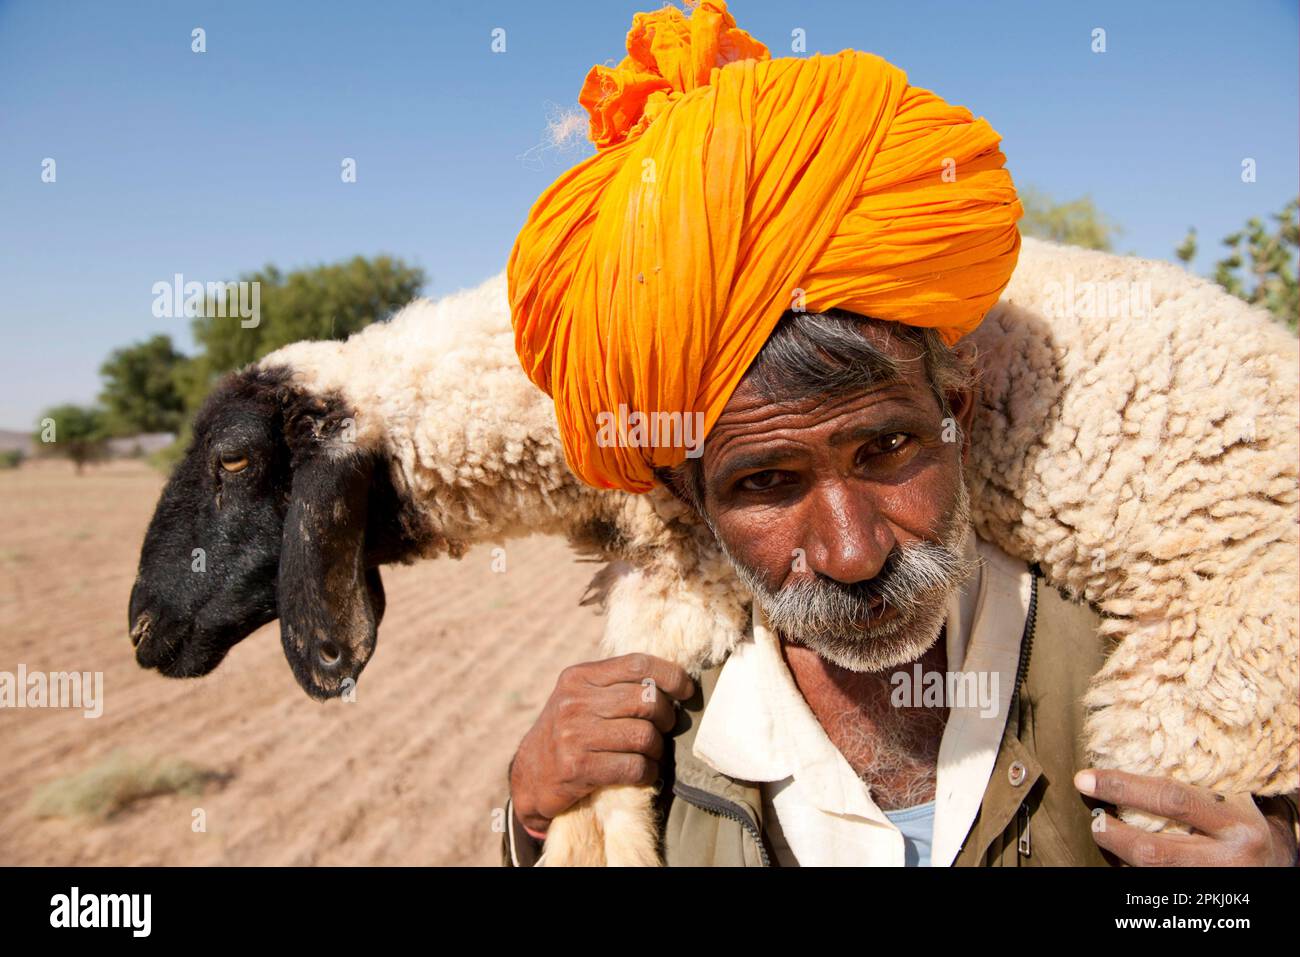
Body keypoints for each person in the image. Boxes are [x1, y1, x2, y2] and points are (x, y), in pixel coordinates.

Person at [499, 1, 1300, 866]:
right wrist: (534, 819)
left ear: (958, 407)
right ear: (684, 493)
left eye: (885, 450)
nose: (853, 552)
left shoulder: (1141, 669)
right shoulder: (652, 748)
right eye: (766, 482)